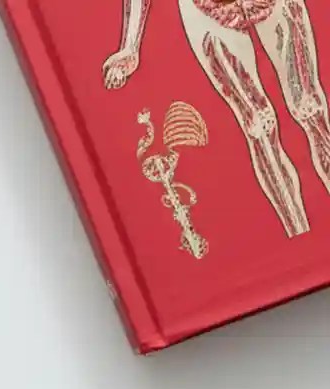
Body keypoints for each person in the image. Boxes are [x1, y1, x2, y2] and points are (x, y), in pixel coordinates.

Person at [104, 0, 329, 237]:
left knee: (309, 107)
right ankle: (299, 236)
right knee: (259, 126)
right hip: (207, 10)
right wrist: (130, 46)